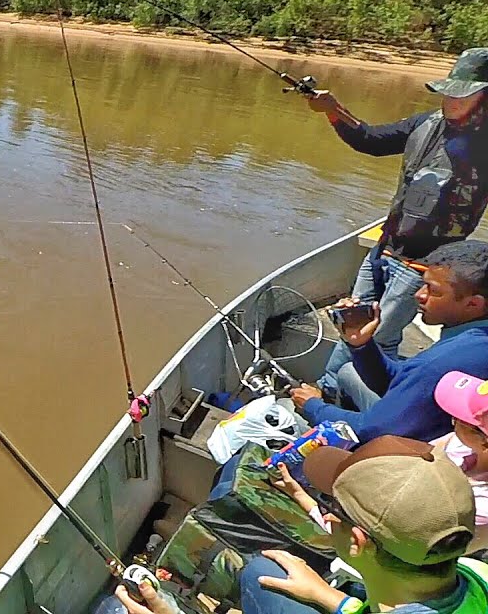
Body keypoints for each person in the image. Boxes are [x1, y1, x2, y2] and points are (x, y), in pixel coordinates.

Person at [112, 435, 488, 614]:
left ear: (360, 542)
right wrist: (332, 599)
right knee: (265, 570)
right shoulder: (476, 572)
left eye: (332, 508)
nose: (325, 516)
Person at [310, 48, 488, 404]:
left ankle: (358, 405)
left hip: (423, 266)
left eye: (462, 93)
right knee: (352, 320)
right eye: (448, 91)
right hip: (384, 248)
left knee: (378, 338)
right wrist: (333, 111)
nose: (451, 100)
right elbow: (370, 140)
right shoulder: (425, 124)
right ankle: (330, 391)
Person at [290, 240, 488, 443]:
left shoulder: (440, 363)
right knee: (348, 371)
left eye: (433, 290)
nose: (419, 295)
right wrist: (361, 345)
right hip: (422, 425)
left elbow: (374, 430)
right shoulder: (473, 341)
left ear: (473, 304)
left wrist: (312, 406)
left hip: (410, 451)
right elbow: (401, 380)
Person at [434, 370, 488, 554]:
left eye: (459, 419)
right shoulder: (460, 444)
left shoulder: (480, 506)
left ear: (484, 442)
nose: (453, 421)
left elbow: (440, 552)